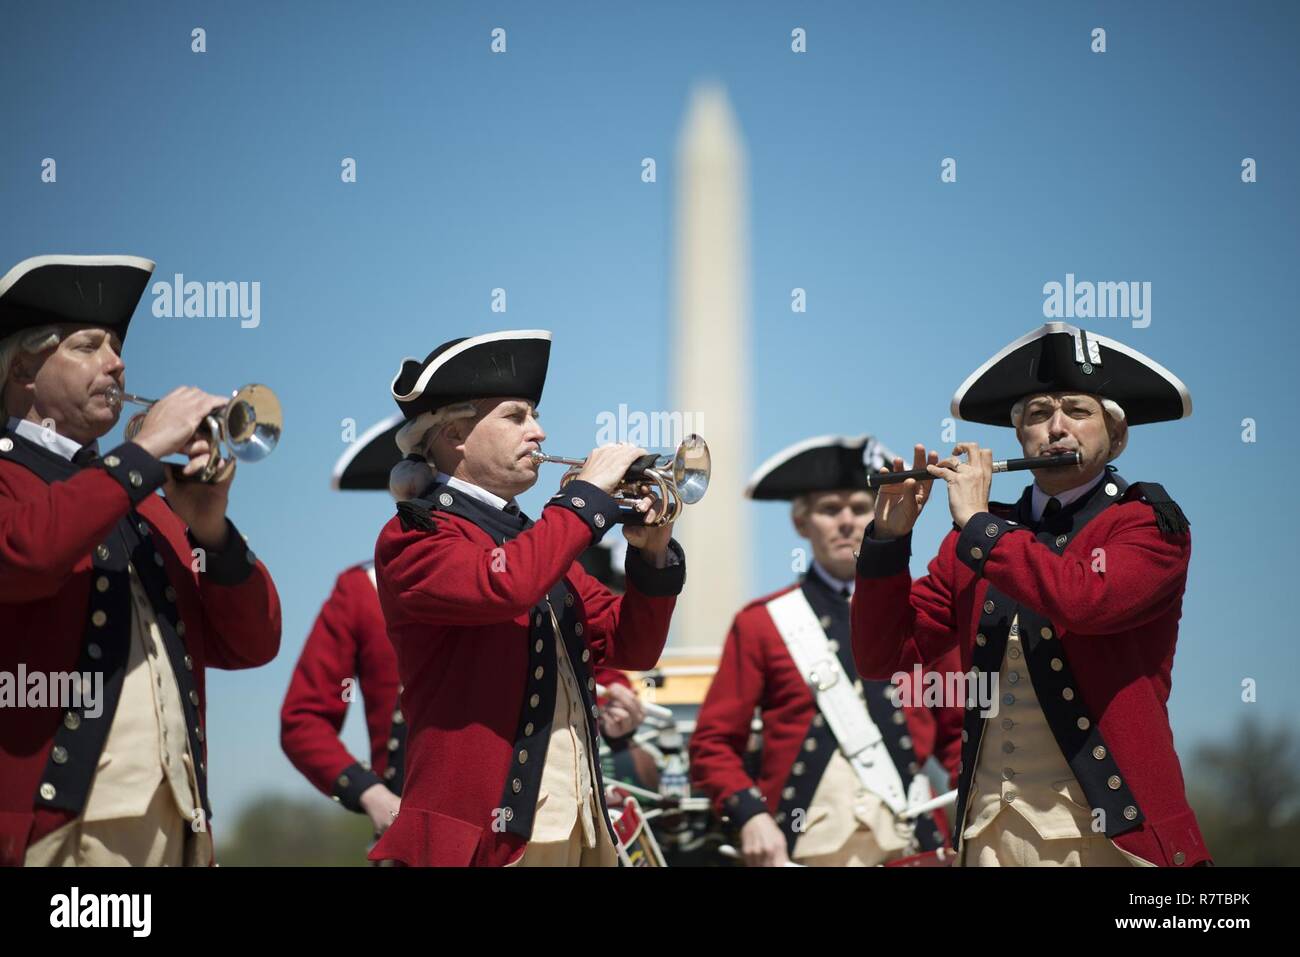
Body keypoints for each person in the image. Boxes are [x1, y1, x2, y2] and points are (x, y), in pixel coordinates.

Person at [853, 321, 1210, 866]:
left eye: (1078, 411)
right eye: (1039, 415)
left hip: (1110, 840)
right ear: (1020, 437)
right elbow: (883, 658)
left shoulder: (1148, 525)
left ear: (1116, 437)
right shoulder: (979, 538)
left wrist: (977, 524)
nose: (1056, 428)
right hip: (990, 839)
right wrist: (887, 541)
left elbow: (1084, 602)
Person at [0, 254, 281, 866]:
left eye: (119, 347)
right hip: (60, 829)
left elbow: (253, 644)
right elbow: (28, 554)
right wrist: (144, 452)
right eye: (89, 345)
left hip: (177, 826)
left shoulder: (145, 505)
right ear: (22, 367)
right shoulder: (16, 478)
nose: (117, 363)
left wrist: (209, 526)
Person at [367, 329, 685, 866]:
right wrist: (585, 501)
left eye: (534, 416)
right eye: (516, 417)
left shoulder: (535, 542)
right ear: (454, 434)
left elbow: (631, 647)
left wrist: (651, 558)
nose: (538, 433)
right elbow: (504, 585)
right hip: (482, 842)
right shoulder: (415, 536)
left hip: (575, 830)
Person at [281, 418, 643, 840]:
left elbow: (605, 659)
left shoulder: (537, 560)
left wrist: (618, 718)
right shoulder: (367, 584)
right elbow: (304, 720)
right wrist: (370, 794)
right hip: (437, 823)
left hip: (550, 815)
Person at [690, 435, 961, 866]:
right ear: (802, 523)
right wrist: (750, 814)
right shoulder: (761, 622)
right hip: (805, 848)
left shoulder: (926, 612)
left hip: (914, 843)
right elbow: (714, 742)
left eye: (859, 508)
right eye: (830, 509)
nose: (847, 523)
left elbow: (960, 733)